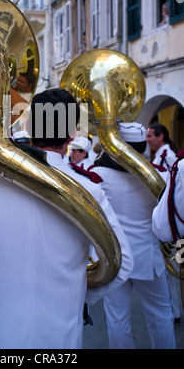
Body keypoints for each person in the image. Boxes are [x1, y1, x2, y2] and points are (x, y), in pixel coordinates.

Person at [0, 88, 133, 349]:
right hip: (60, 337)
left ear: (29, 126)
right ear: (72, 134)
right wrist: (78, 292)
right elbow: (121, 264)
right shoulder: (90, 190)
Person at [89, 122, 175, 349]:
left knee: (117, 319)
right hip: (148, 257)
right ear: (141, 147)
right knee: (160, 316)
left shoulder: (97, 175)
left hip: (115, 258)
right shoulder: (161, 175)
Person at [146, 122, 181, 322]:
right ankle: (174, 308)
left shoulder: (168, 157)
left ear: (161, 137)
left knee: (173, 265)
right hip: (164, 217)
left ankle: (176, 310)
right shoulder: (161, 155)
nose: (147, 140)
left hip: (170, 220)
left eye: (150, 136)